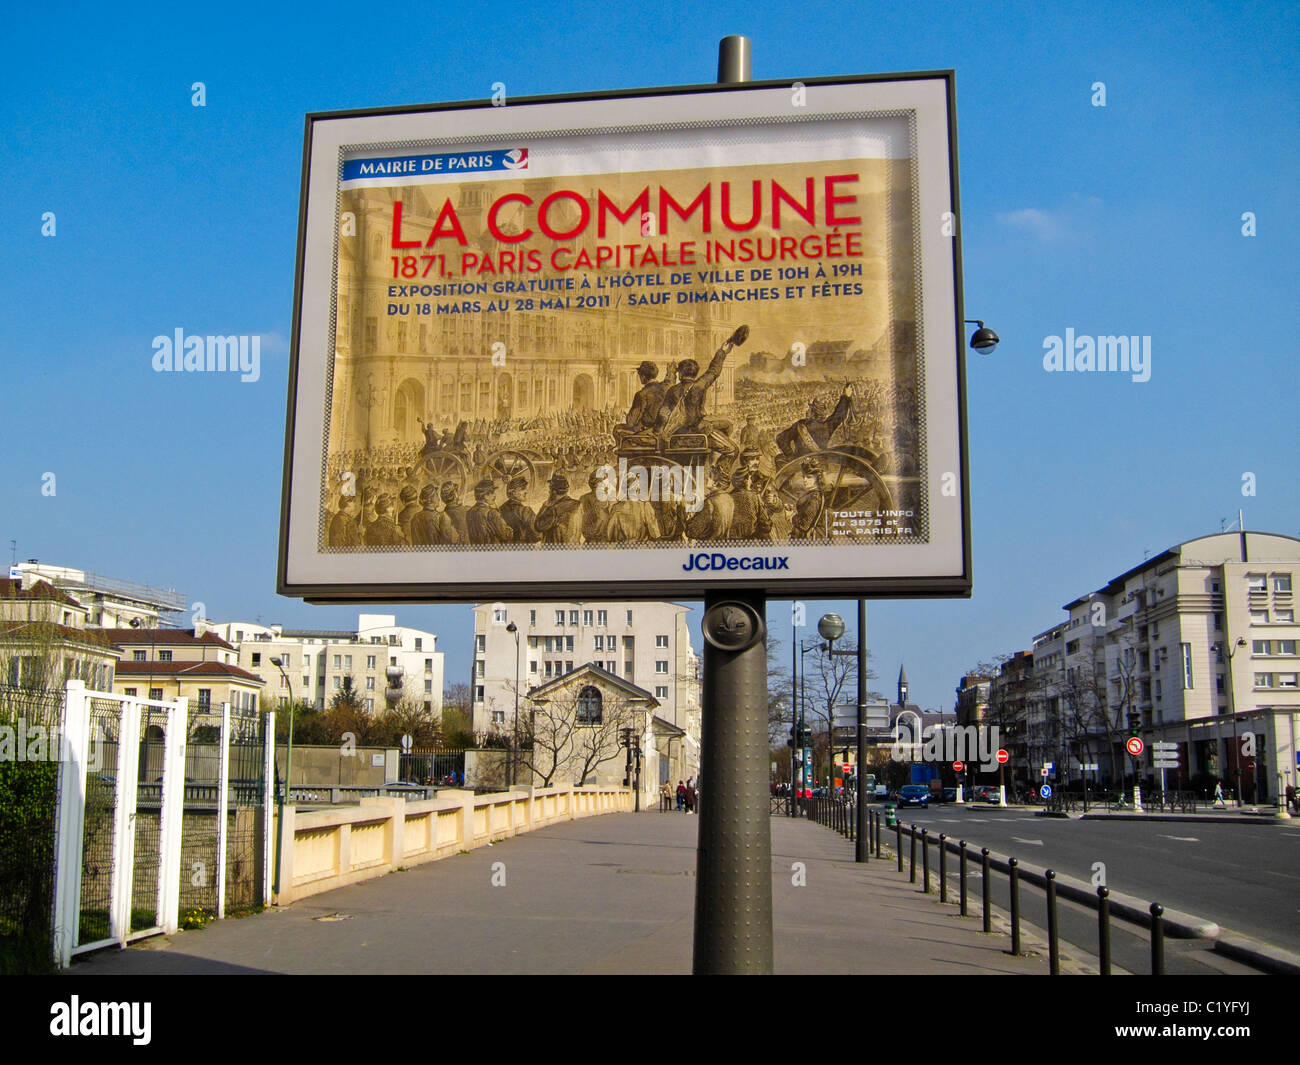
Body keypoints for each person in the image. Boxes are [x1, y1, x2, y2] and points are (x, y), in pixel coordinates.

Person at [535, 474, 583, 544]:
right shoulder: (578, 505)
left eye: (550, 489)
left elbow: (539, 526)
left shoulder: (554, 509)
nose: (548, 492)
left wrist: (545, 506)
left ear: (553, 492)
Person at [499, 475, 539, 543]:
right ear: (513, 493)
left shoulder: (500, 509)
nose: (526, 491)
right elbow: (537, 535)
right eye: (522, 489)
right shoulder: (525, 511)